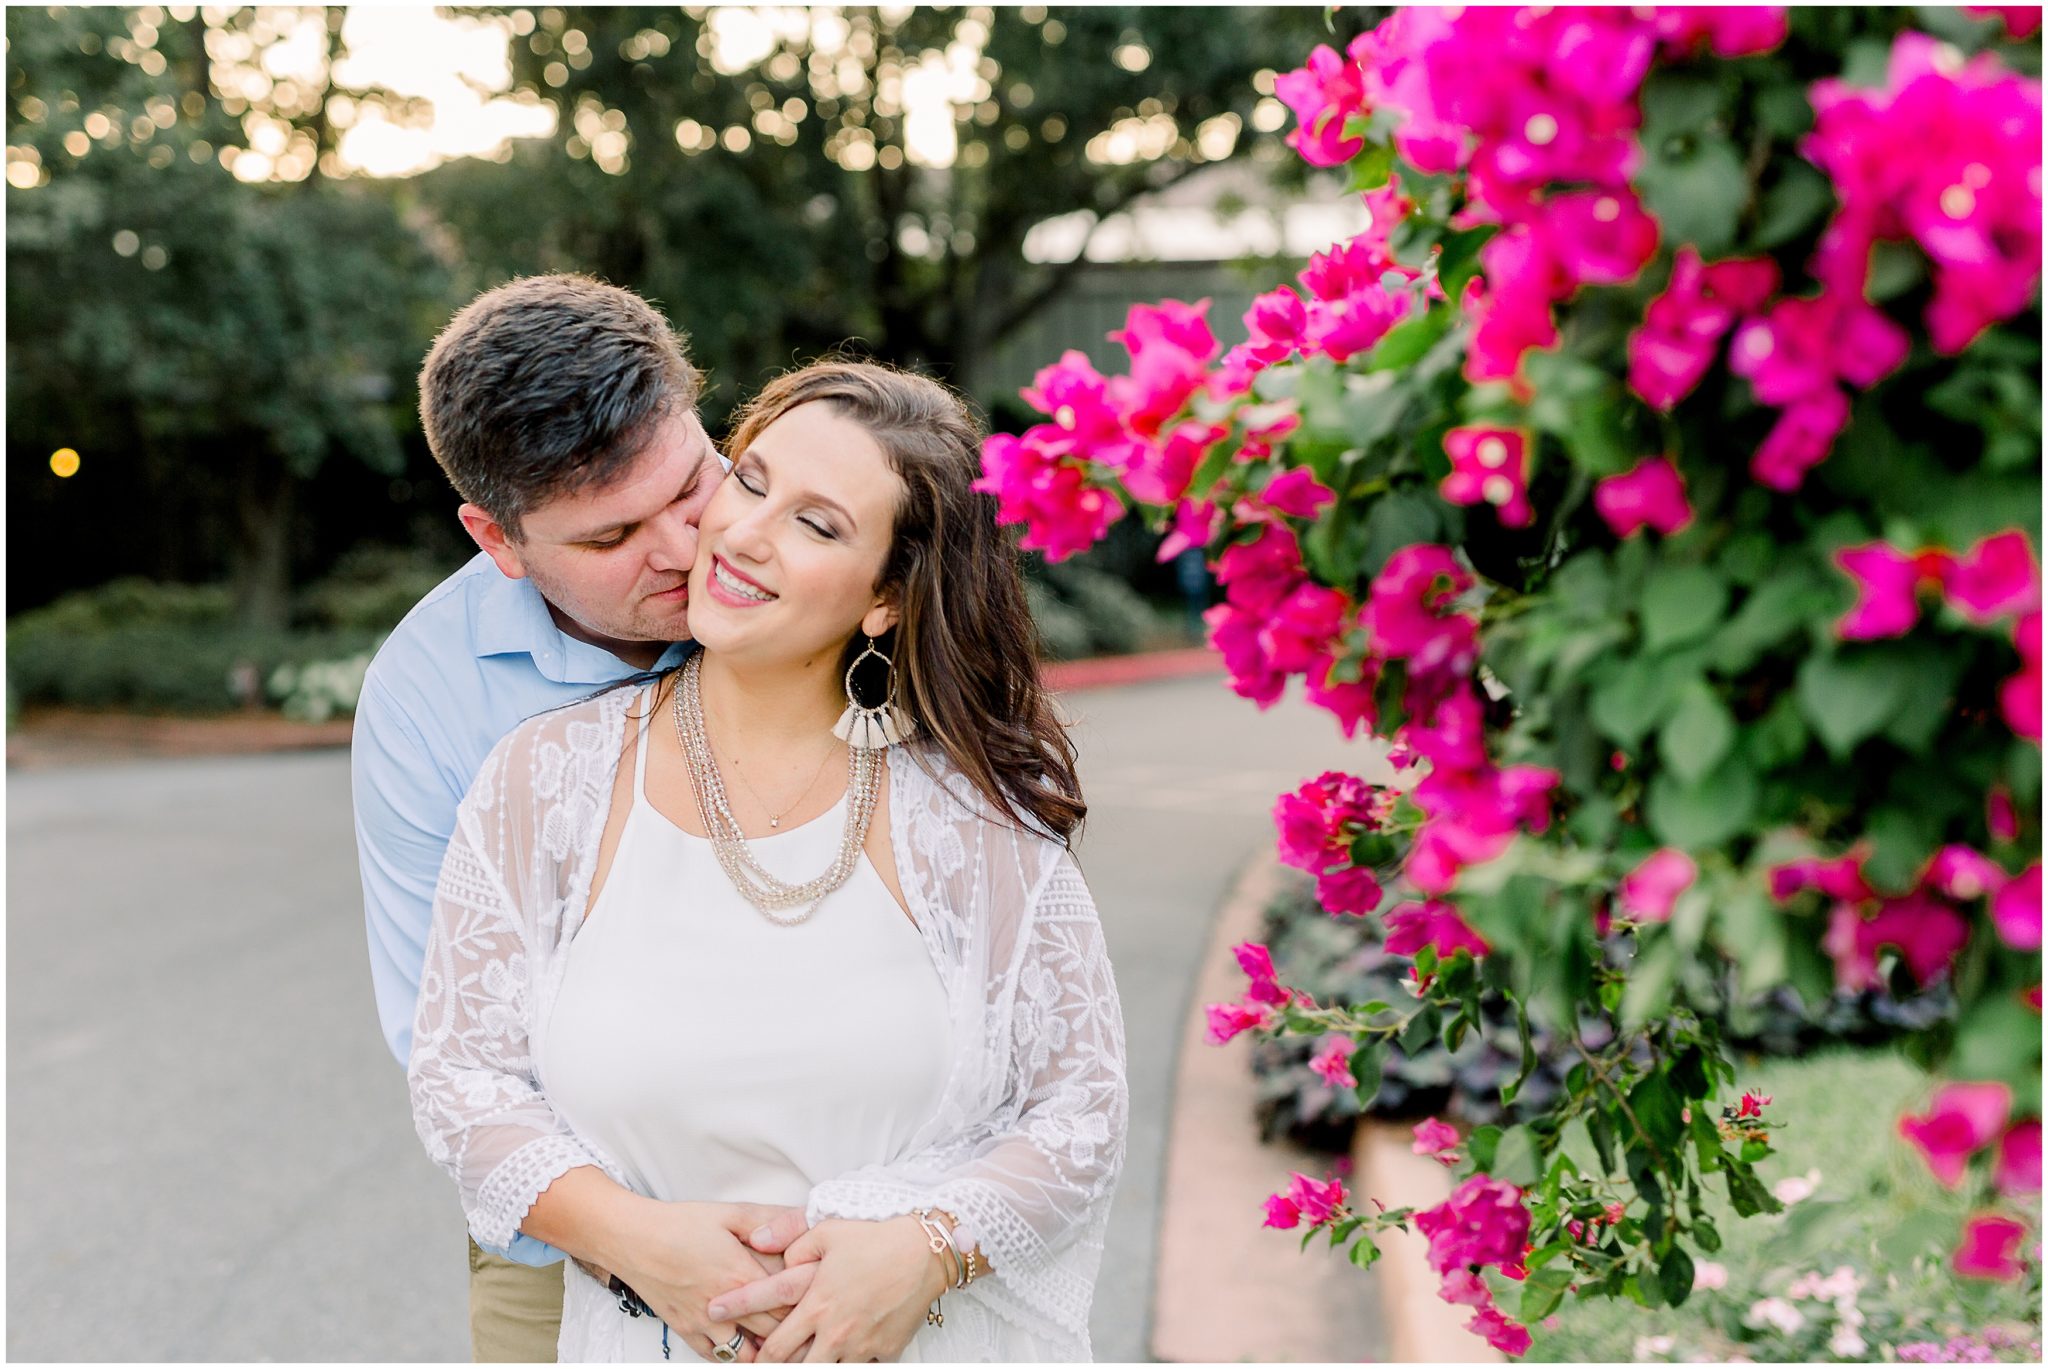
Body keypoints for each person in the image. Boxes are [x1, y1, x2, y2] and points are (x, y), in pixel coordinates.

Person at [408, 360, 1129, 1361]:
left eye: (817, 523)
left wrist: (926, 1250)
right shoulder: (547, 780)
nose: (742, 532)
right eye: (748, 480)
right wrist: (639, 1242)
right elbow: (463, 1078)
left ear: (885, 597)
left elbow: (1077, 1111)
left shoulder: (969, 813)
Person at [352, 274, 810, 1361]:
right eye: (610, 539)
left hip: (845, 1196)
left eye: (693, 484)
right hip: (571, 1247)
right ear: (497, 539)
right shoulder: (428, 700)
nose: (683, 548)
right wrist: (649, 1245)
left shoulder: (819, 565)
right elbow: (448, 1047)